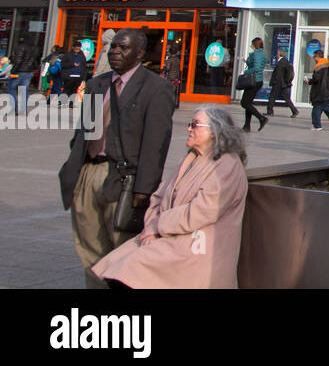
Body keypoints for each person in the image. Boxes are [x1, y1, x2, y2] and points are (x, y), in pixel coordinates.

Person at [57, 28, 174, 288]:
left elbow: (156, 144)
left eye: (123, 48)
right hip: (88, 173)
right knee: (88, 246)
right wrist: (73, 167)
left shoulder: (156, 88)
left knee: (122, 246)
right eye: (113, 48)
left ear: (140, 53)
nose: (116, 52)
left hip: (124, 178)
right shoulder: (99, 83)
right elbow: (82, 130)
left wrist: (145, 188)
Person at [92, 104, 249, 288]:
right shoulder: (192, 158)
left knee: (130, 268)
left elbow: (202, 212)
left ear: (215, 131)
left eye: (195, 124)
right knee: (116, 265)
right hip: (171, 236)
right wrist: (151, 228)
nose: (189, 128)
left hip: (198, 246)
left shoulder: (227, 164)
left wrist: (158, 226)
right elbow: (159, 196)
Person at [307, 43, 329, 131]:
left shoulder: (320, 66)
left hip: (321, 90)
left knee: (320, 106)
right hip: (327, 89)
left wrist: (309, 81)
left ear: (317, 57)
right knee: (320, 107)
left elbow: (317, 78)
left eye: (314, 57)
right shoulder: (327, 64)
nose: (314, 59)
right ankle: (319, 124)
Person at [240, 37, 268, 132]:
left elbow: (256, 68)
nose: (251, 46)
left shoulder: (257, 54)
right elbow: (254, 64)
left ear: (255, 45)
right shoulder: (261, 54)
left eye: (252, 45)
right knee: (248, 103)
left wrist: (245, 72)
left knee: (244, 103)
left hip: (254, 81)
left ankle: (261, 118)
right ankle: (247, 126)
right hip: (257, 81)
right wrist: (247, 60)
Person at [8, 36, 40, 111]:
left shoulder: (21, 47)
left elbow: (18, 61)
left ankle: (14, 107)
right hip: (29, 72)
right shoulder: (35, 49)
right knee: (24, 90)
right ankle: (23, 109)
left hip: (19, 71)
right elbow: (35, 61)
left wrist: (12, 71)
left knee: (11, 88)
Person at [265, 49, 299, 118]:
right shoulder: (285, 61)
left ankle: (270, 111)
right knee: (286, 98)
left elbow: (279, 74)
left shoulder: (281, 62)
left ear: (279, 54)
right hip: (282, 83)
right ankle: (294, 110)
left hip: (278, 82)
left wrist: (275, 81)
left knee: (272, 97)